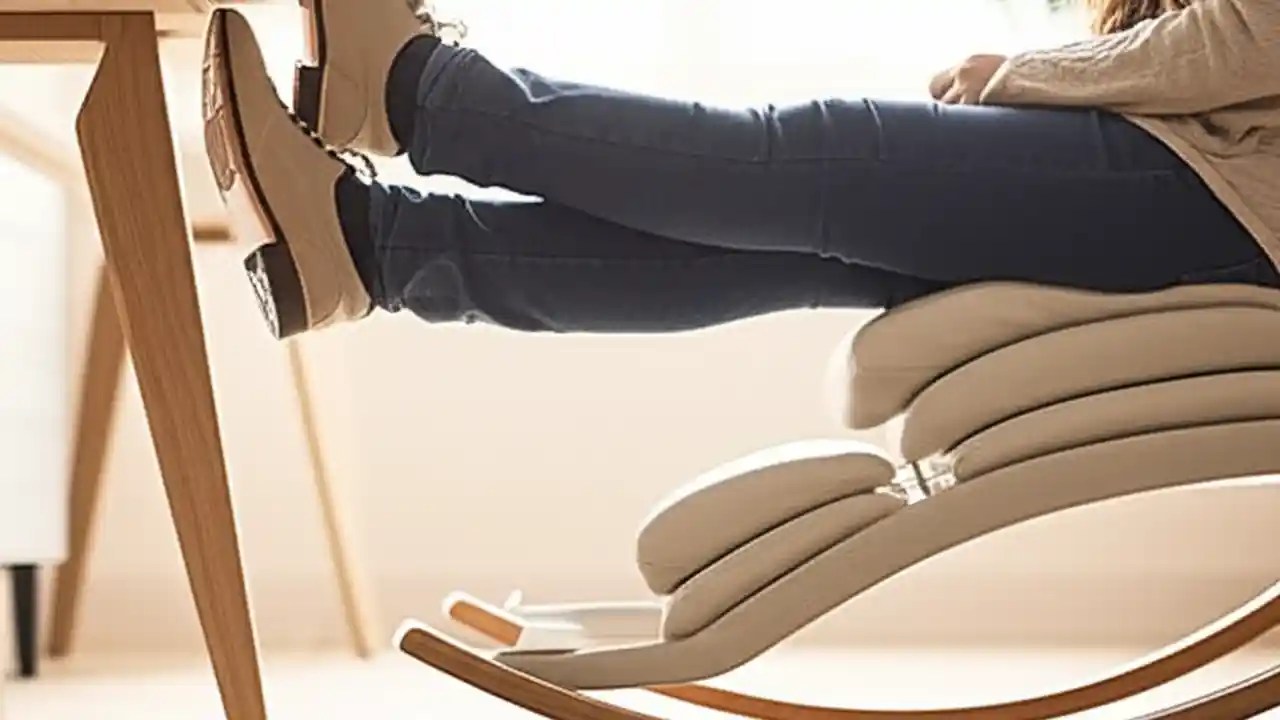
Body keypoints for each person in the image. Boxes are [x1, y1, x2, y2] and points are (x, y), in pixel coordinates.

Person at [203, 0, 1280, 341]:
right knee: (790, 234)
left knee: (813, 159)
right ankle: (371, 249)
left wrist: (1027, 74)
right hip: (1226, 205)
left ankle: (412, 96)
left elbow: (1251, 36)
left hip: (1219, 190)